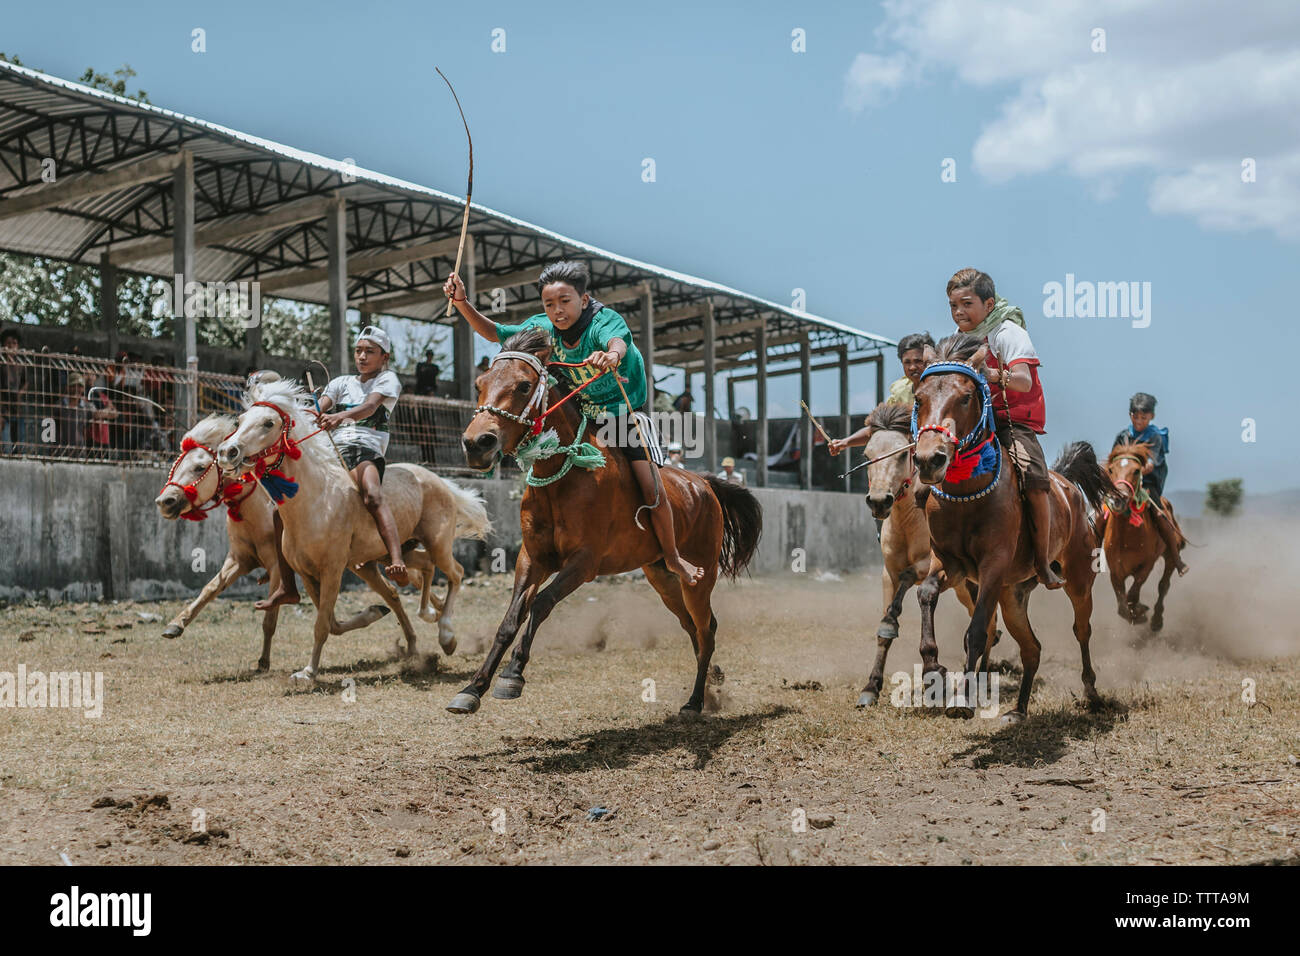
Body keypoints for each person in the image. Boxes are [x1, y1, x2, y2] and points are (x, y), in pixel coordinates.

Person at [444, 259, 704, 586]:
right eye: (549, 304)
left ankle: (673, 556)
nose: (557, 310)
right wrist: (462, 303)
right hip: (577, 412)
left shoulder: (604, 322)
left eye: (565, 301)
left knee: (651, 484)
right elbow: (494, 332)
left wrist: (610, 356)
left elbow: (618, 342)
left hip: (622, 413)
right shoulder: (541, 329)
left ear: (583, 299)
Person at [256, 327, 409, 611]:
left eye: (370, 352)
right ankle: (286, 586)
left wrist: (339, 416)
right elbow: (318, 411)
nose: (362, 357)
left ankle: (397, 559)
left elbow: (369, 407)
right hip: (330, 453)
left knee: (372, 495)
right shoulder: (340, 382)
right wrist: (312, 411)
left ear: (384, 357)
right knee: (280, 509)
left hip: (365, 449)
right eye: (358, 351)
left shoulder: (388, 379)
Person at [947, 267, 1062, 589]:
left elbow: (1024, 381)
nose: (959, 312)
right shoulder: (959, 340)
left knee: (1035, 478)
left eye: (966, 304)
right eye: (953, 305)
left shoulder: (1008, 332)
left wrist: (993, 374)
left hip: (1013, 422)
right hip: (975, 423)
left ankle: (1042, 561)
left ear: (989, 303)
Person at [1113, 391, 1188, 575]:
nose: (1139, 421)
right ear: (1130, 415)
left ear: (1151, 416)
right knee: (1101, 510)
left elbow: (1152, 462)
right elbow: (1114, 456)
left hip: (1148, 482)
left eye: (1143, 417)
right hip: (1124, 481)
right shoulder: (1123, 435)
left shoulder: (1155, 436)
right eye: (1135, 416)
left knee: (1159, 513)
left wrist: (1143, 468)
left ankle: (1176, 558)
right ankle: (1091, 550)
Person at [829, 331, 934, 458]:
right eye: (907, 362)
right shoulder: (900, 392)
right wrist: (845, 442)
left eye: (918, 361)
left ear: (929, 361)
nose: (912, 367)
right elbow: (878, 429)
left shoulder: (944, 391)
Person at [0, 328, 28, 452]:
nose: (11, 346)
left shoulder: (21, 364)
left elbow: (26, 382)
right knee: (6, 446)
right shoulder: (1, 364)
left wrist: (20, 393)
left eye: (14, 343)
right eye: (8, 343)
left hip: (18, 409)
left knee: (20, 445)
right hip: (3, 409)